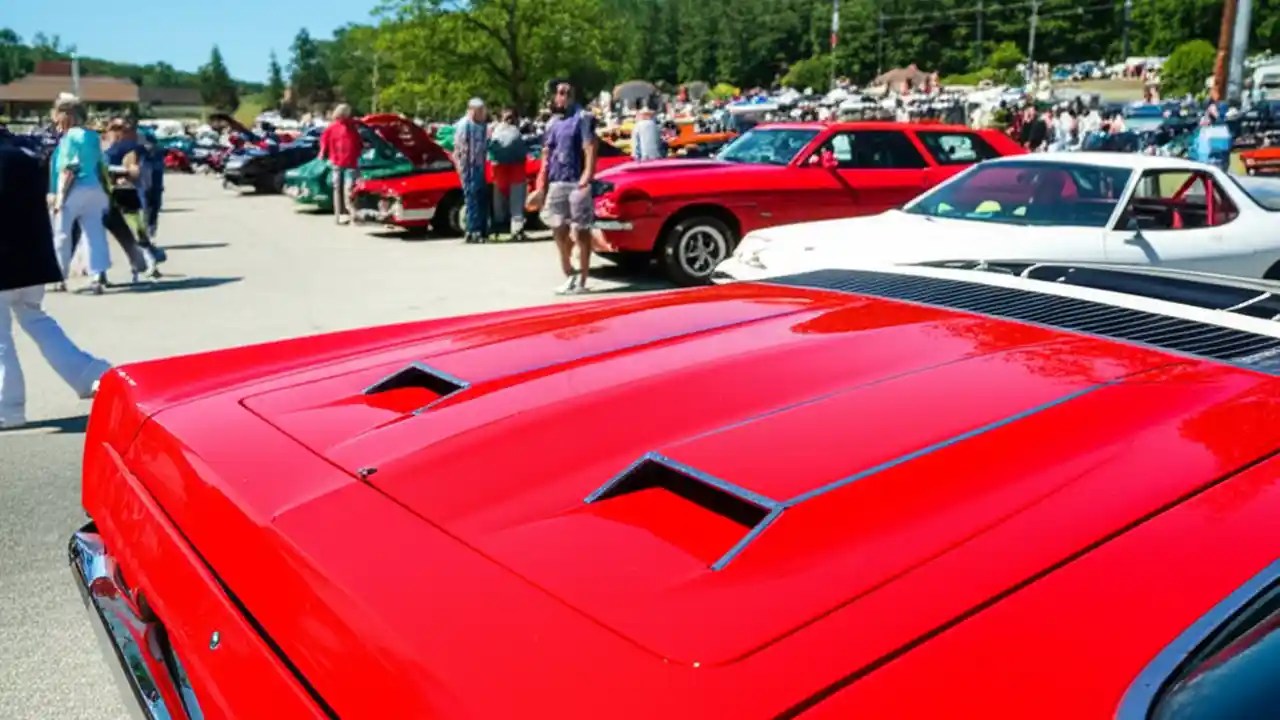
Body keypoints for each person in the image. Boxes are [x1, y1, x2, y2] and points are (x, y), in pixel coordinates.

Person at [0, 136, 111, 430]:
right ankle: (89, 374)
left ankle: (7, 408)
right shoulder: (26, 156)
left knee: (1, 339)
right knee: (36, 319)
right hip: (32, 262)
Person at [534, 81, 598, 294]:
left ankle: (582, 280)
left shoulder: (582, 118)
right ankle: (569, 270)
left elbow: (589, 147)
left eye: (568, 93)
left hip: (576, 181)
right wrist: (541, 183)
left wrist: (587, 175)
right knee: (558, 228)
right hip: (557, 180)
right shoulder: (552, 123)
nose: (563, 96)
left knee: (581, 230)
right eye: (560, 93)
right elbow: (546, 153)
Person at [48, 95, 111, 294]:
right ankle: (98, 274)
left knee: (62, 234)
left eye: (57, 115)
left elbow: (69, 168)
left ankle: (59, 277)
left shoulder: (71, 137)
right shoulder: (92, 136)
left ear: (66, 115)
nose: (55, 119)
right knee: (94, 232)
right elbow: (101, 165)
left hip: (74, 188)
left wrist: (60, 196)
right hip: (94, 188)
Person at [453, 98, 490, 243]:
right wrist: (463, 170)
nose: (483, 114)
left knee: (480, 198)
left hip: (479, 167)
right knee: (472, 199)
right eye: (480, 111)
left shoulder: (481, 125)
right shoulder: (465, 125)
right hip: (469, 168)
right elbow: (461, 150)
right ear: (473, 111)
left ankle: (481, 229)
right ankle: (472, 230)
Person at [318, 104, 363, 225]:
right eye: (344, 113)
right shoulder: (333, 127)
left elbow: (358, 142)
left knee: (347, 189)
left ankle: (349, 214)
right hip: (339, 161)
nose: (345, 116)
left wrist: (360, 151)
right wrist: (322, 152)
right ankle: (339, 216)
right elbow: (324, 141)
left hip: (349, 162)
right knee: (340, 188)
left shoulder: (352, 126)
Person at [489, 108, 528, 242]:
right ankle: (517, 230)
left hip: (499, 172)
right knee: (516, 203)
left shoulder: (495, 130)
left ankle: (498, 230)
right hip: (516, 172)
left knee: (499, 203)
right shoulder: (518, 132)